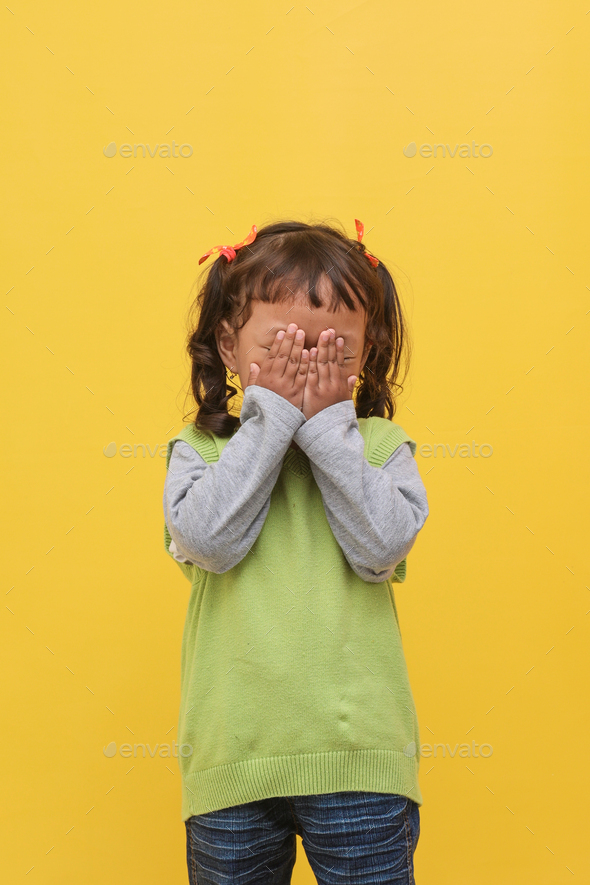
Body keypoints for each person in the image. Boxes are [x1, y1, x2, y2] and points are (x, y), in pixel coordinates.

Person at [163, 218, 430, 884]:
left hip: (359, 758)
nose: (305, 361)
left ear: (368, 351)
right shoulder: (200, 452)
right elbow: (210, 543)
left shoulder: (377, 446)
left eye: (331, 347)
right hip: (233, 760)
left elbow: (380, 547)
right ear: (228, 344)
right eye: (282, 344)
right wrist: (273, 417)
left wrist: (327, 429)